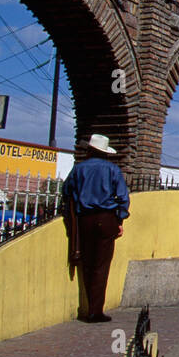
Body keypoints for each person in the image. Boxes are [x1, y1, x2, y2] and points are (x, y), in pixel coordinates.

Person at [62, 133, 130, 322]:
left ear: (90, 150)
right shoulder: (112, 170)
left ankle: (88, 305)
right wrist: (119, 220)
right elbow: (123, 197)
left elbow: (66, 190)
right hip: (106, 218)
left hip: (84, 219)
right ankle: (95, 310)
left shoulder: (79, 169)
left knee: (88, 263)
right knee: (101, 265)